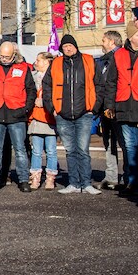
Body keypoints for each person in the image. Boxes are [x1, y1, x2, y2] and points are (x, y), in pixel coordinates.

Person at [102, 22, 138, 196]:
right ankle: (132, 181)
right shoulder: (118, 55)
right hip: (124, 104)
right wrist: (109, 105)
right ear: (130, 37)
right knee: (129, 146)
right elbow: (111, 82)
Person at [43, 34, 102, 195]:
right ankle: (74, 183)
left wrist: (95, 107)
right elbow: (46, 85)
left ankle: (86, 183)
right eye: (64, 47)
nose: (67, 48)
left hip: (84, 113)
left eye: (70, 46)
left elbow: (99, 84)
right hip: (63, 114)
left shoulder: (89, 61)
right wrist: (52, 108)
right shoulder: (55, 64)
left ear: (76, 46)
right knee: (70, 150)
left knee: (83, 150)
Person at [0, 41, 34, 193]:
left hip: (16, 114)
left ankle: (23, 180)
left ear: (14, 55)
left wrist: (25, 109)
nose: (4, 59)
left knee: (20, 149)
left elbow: (31, 90)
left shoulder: (23, 68)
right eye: (2, 56)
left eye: (7, 57)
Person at [95, 31, 124, 190]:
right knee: (109, 142)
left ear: (112, 42)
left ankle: (128, 177)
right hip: (105, 108)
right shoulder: (103, 61)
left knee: (125, 143)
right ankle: (111, 176)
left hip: (118, 108)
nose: (102, 43)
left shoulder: (120, 57)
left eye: (104, 40)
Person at [27, 52, 57, 191]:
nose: (36, 62)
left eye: (39, 60)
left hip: (50, 119)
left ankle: (50, 177)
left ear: (46, 62)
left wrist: (45, 102)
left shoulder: (54, 77)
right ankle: (35, 176)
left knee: (51, 151)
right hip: (36, 119)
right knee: (36, 151)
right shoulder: (32, 77)